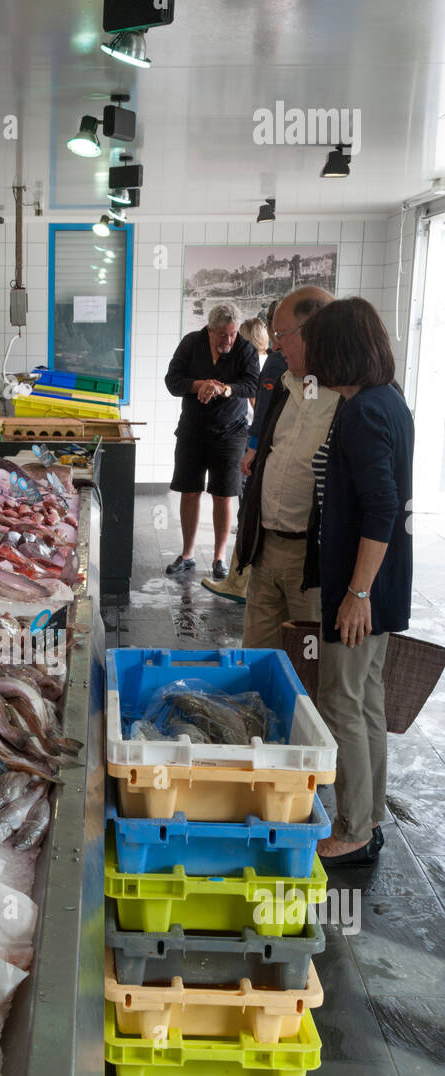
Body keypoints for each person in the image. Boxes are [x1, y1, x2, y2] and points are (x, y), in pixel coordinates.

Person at [301, 298, 413, 866]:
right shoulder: (385, 401)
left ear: (337, 349)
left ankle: (350, 828)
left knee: (342, 702)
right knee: (365, 700)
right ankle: (368, 815)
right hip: (379, 583)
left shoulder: (364, 411)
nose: (310, 354)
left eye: (317, 344)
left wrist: (356, 593)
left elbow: (382, 506)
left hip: (364, 586)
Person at [235, 286, 340, 648]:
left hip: (311, 562)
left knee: (309, 670)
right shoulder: (286, 384)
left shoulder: (352, 399)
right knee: (256, 656)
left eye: (281, 335)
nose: (275, 346)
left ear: (314, 331)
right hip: (266, 547)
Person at [164, 303, 260, 578]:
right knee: (189, 491)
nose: (228, 340)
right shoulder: (191, 343)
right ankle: (187, 553)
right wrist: (200, 385)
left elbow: (252, 384)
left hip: (231, 433)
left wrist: (225, 389)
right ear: (209, 329)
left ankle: (219, 558)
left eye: (232, 334)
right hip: (192, 431)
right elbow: (172, 381)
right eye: (222, 335)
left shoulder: (245, 348)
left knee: (223, 495)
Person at [202, 304, 285, 602]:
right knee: (254, 514)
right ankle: (250, 582)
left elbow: (260, 409)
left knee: (250, 512)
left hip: (268, 449)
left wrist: (252, 447)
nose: (277, 339)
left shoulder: (276, 364)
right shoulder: (283, 361)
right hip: (277, 450)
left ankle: (240, 582)